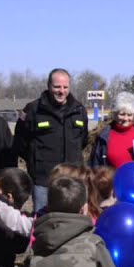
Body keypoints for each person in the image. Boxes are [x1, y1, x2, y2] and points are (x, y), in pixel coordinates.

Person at [13, 69, 91, 212]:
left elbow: (83, 140)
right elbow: (20, 142)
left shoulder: (79, 109)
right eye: (57, 87)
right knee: (44, 220)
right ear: (49, 86)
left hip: (73, 179)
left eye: (65, 87)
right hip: (44, 180)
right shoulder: (33, 110)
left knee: (74, 219)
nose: (61, 91)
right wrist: (35, 161)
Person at [88, 92, 134, 170]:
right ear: (115, 114)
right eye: (122, 114)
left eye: (129, 115)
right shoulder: (103, 136)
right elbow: (95, 164)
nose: (125, 118)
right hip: (111, 181)